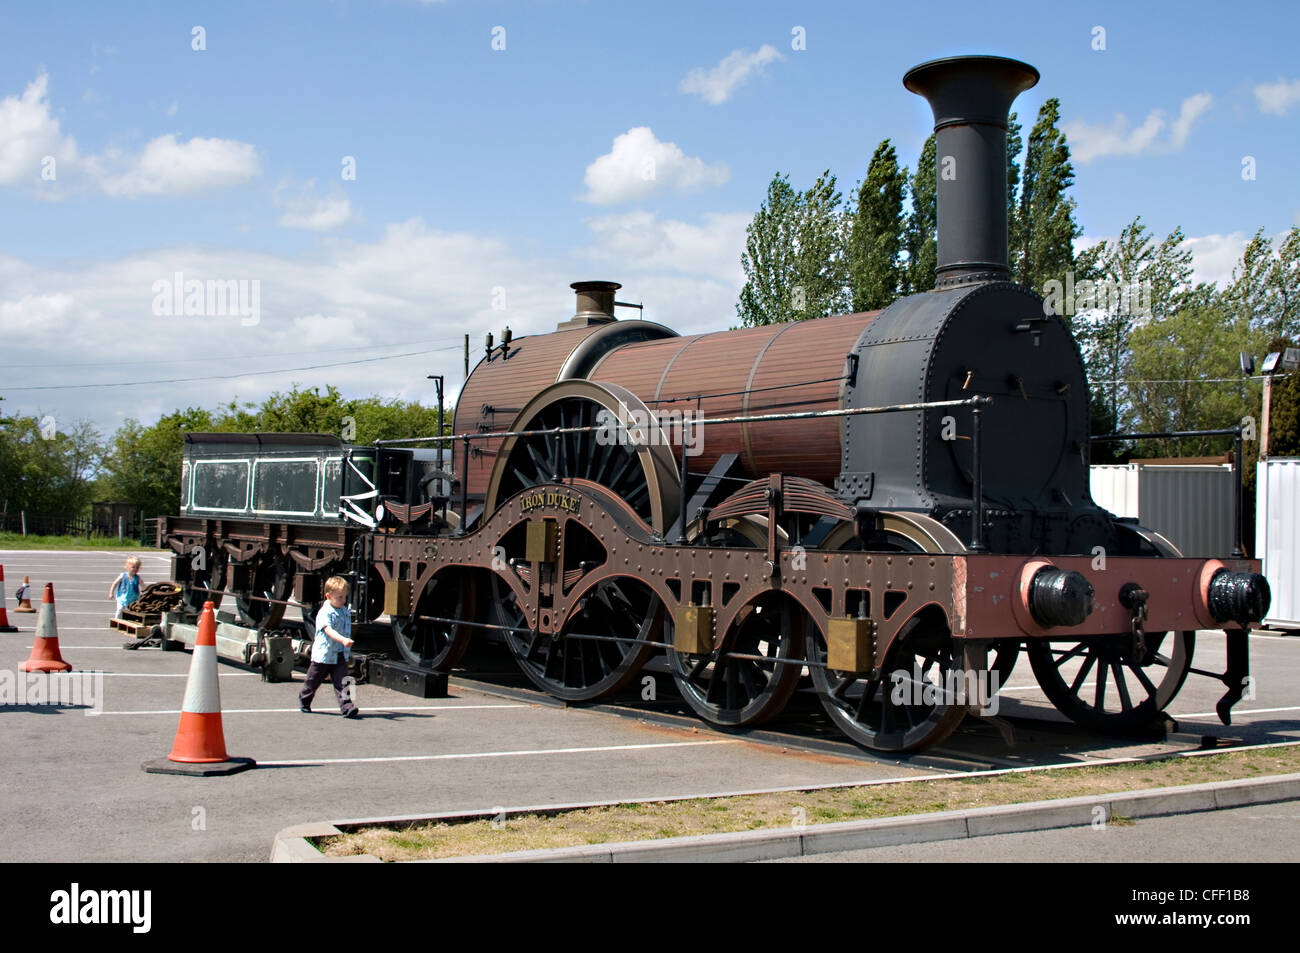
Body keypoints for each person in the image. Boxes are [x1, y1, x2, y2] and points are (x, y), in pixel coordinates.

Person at [300, 575, 359, 718]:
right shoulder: (325, 612)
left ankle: (347, 706)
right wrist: (343, 640)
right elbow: (328, 630)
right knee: (313, 679)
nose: (343, 600)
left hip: (339, 653)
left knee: (343, 680)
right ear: (328, 596)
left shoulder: (344, 610)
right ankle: (304, 699)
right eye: (339, 597)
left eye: (345, 597)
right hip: (324, 654)